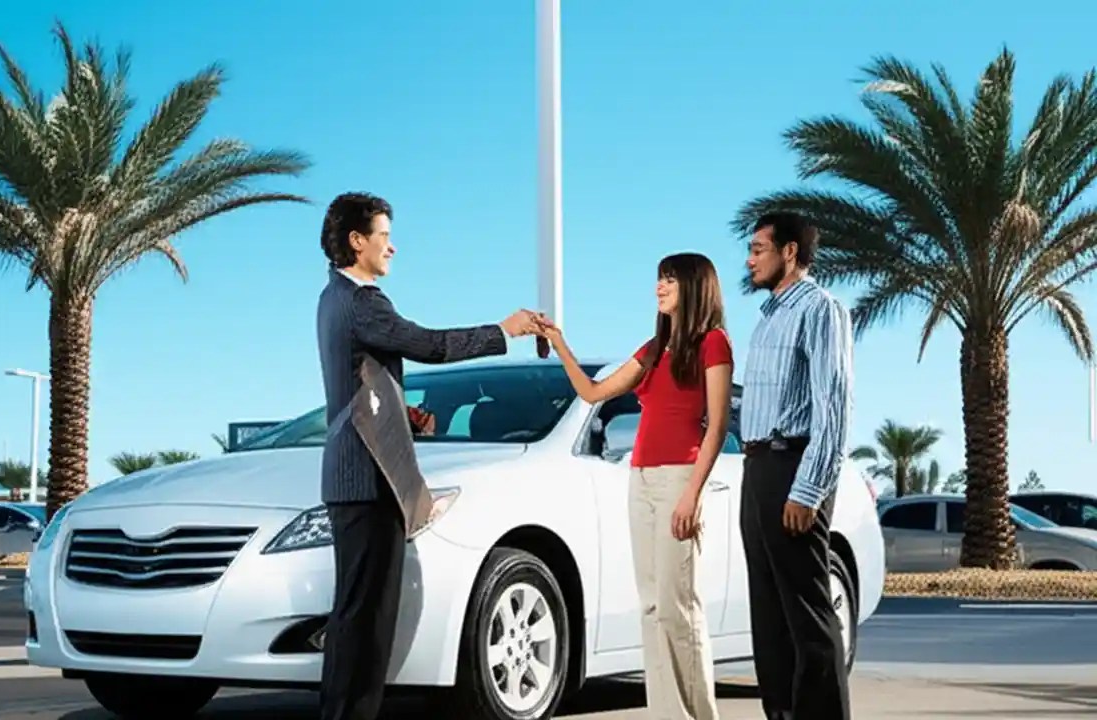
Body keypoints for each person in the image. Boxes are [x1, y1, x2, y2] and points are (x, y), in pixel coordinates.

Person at [315, 191, 542, 720]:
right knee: (366, 624)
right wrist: (502, 331)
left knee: (353, 617)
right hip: (369, 479)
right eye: (384, 237)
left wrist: (403, 414)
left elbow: (361, 379)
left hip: (348, 475)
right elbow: (429, 345)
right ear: (357, 241)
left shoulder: (331, 299)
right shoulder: (362, 301)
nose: (392, 248)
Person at [539, 252, 732, 720]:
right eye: (658, 280)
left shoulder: (713, 344)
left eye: (668, 280)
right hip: (640, 481)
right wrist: (560, 343)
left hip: (677, 481)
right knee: (651, 608)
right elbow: (592, 392)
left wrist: (693, 494)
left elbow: (719, 424)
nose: (658, 288)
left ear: (693, 285)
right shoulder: (653, 348)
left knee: (677, 608)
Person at [739, 211, 853, 720]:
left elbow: (833, 404)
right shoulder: (767, 318)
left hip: (794, 467)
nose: (750, 259)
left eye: (758, 248)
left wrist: (808, 489)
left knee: (806, 614)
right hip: (758, 468)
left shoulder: (820, 309)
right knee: (768, 612)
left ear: (789, 252)